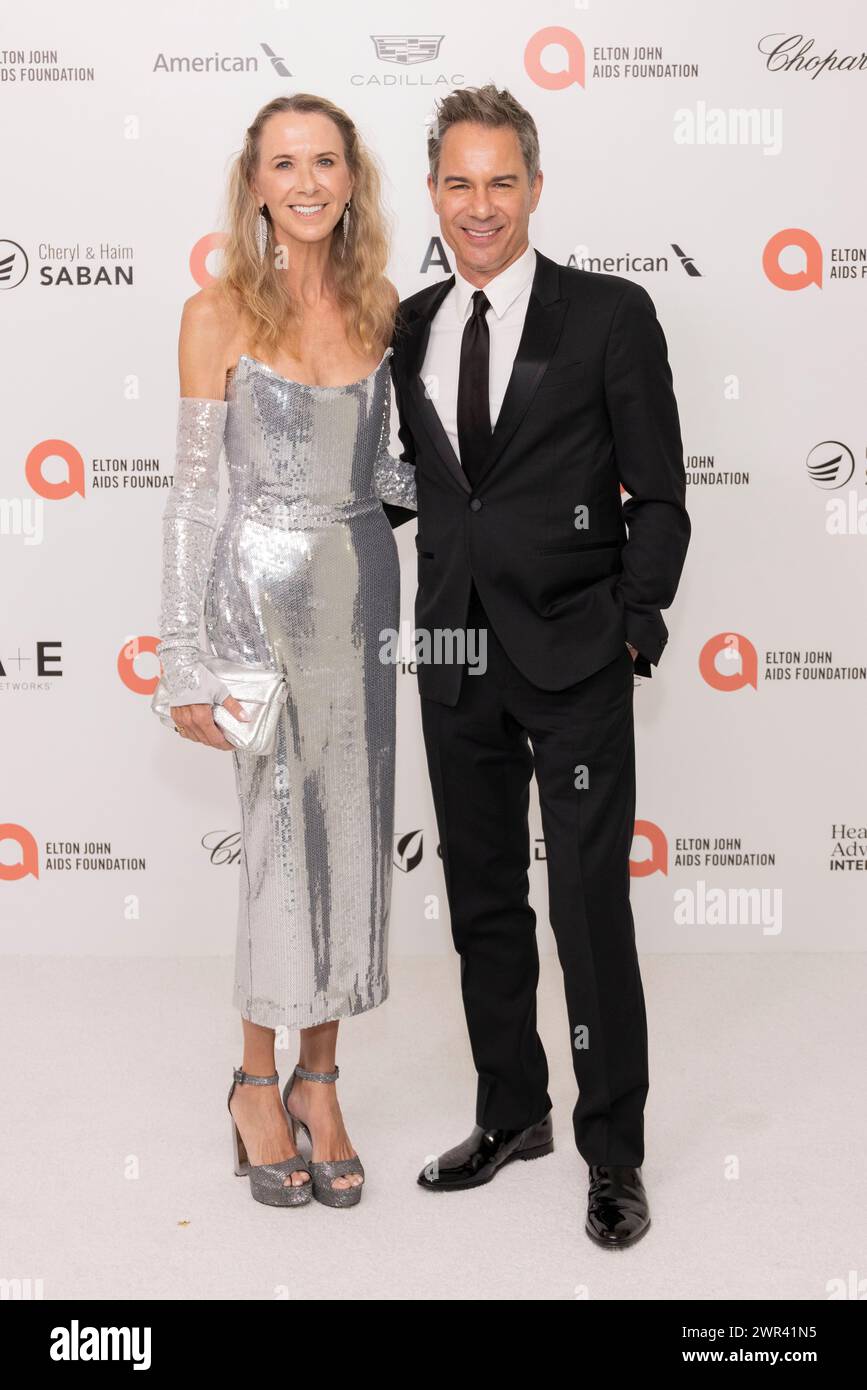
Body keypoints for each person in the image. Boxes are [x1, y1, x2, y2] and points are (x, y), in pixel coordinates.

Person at [387, 85, 690, 1247]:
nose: (480, 205)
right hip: (455, 650)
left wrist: (633, 622)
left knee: (586, 910)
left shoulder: (610, 314)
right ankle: (511, 1111)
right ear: (433, 194)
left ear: (535, 187)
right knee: (483, 907)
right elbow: (403, 491)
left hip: (574, 656)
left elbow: (659, 493)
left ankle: (614, 1149)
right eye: (458, 183)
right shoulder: (407, 325)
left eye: (500, 181)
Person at [155, 94, 416, 1209]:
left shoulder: (385, 307)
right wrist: (182, 660)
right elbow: (192, 498)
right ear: (255, 184)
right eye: (284, 164)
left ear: (351, 180)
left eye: (326, 162)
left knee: (348, 843)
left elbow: (393, 473)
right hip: (250, 610)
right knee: (275, 848)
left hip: (360, 603)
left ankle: (322, 1080)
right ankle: (253, 1084)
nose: (307, 182)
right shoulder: (215, 313)